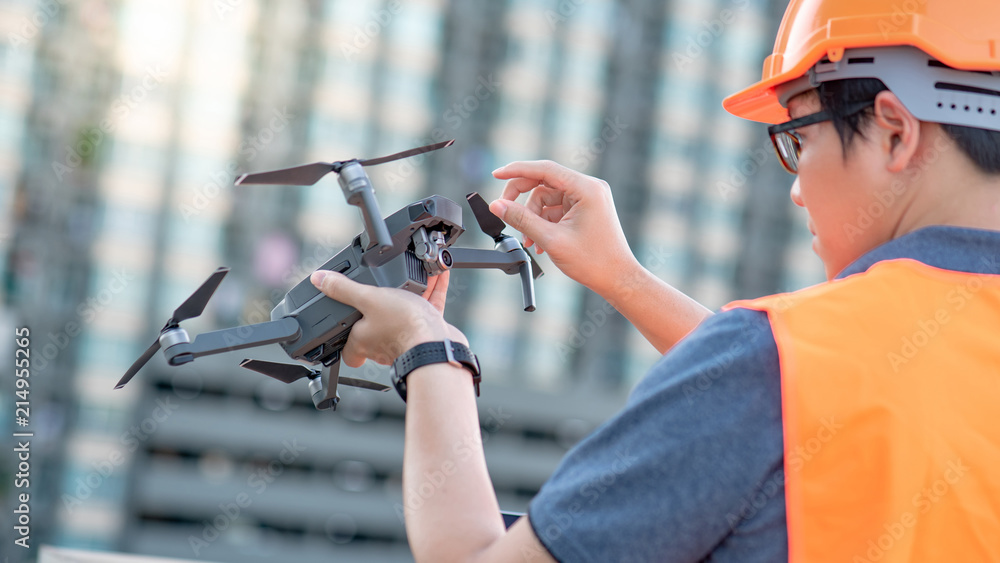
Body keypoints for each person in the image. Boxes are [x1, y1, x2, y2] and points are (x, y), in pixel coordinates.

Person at [308, 0, 1000, 560]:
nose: (796, 189)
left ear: (895, 133)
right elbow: (838, 403)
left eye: (799, 139)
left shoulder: (774, 361)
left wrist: (428, 347)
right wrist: (624, 278)